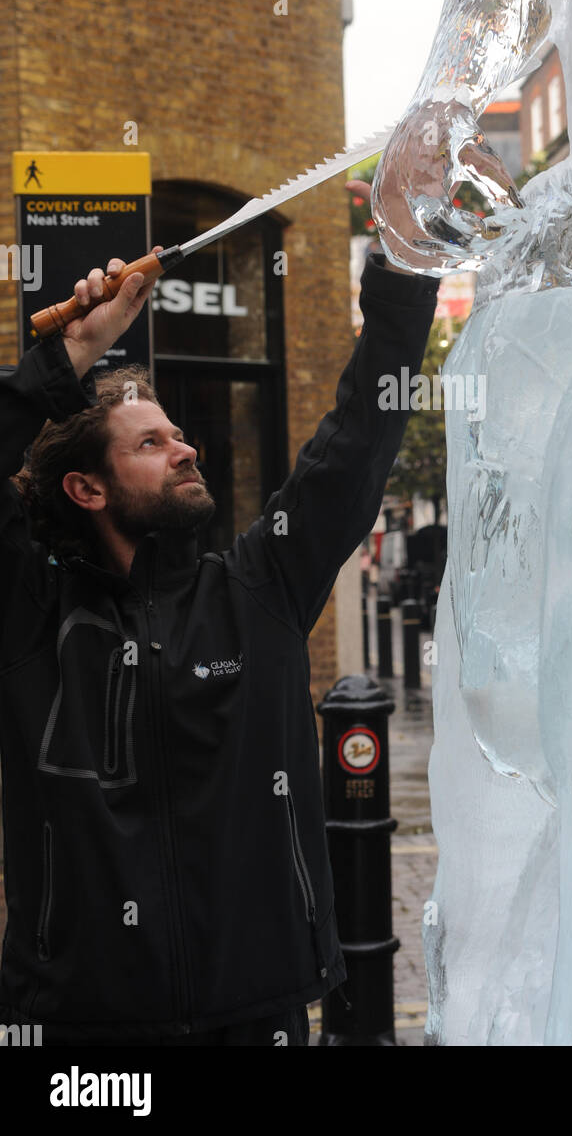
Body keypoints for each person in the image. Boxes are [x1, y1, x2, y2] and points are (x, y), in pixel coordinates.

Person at [0, 181, 439, 1046]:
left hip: (260, 1014)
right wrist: (70, 356)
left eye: (179, 434)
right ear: (86, 488)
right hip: (84, 1031)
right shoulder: (30, 616)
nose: (187, 446)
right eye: (150, 443)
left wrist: (401, 263)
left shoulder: (256, 588)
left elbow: (358, 440)